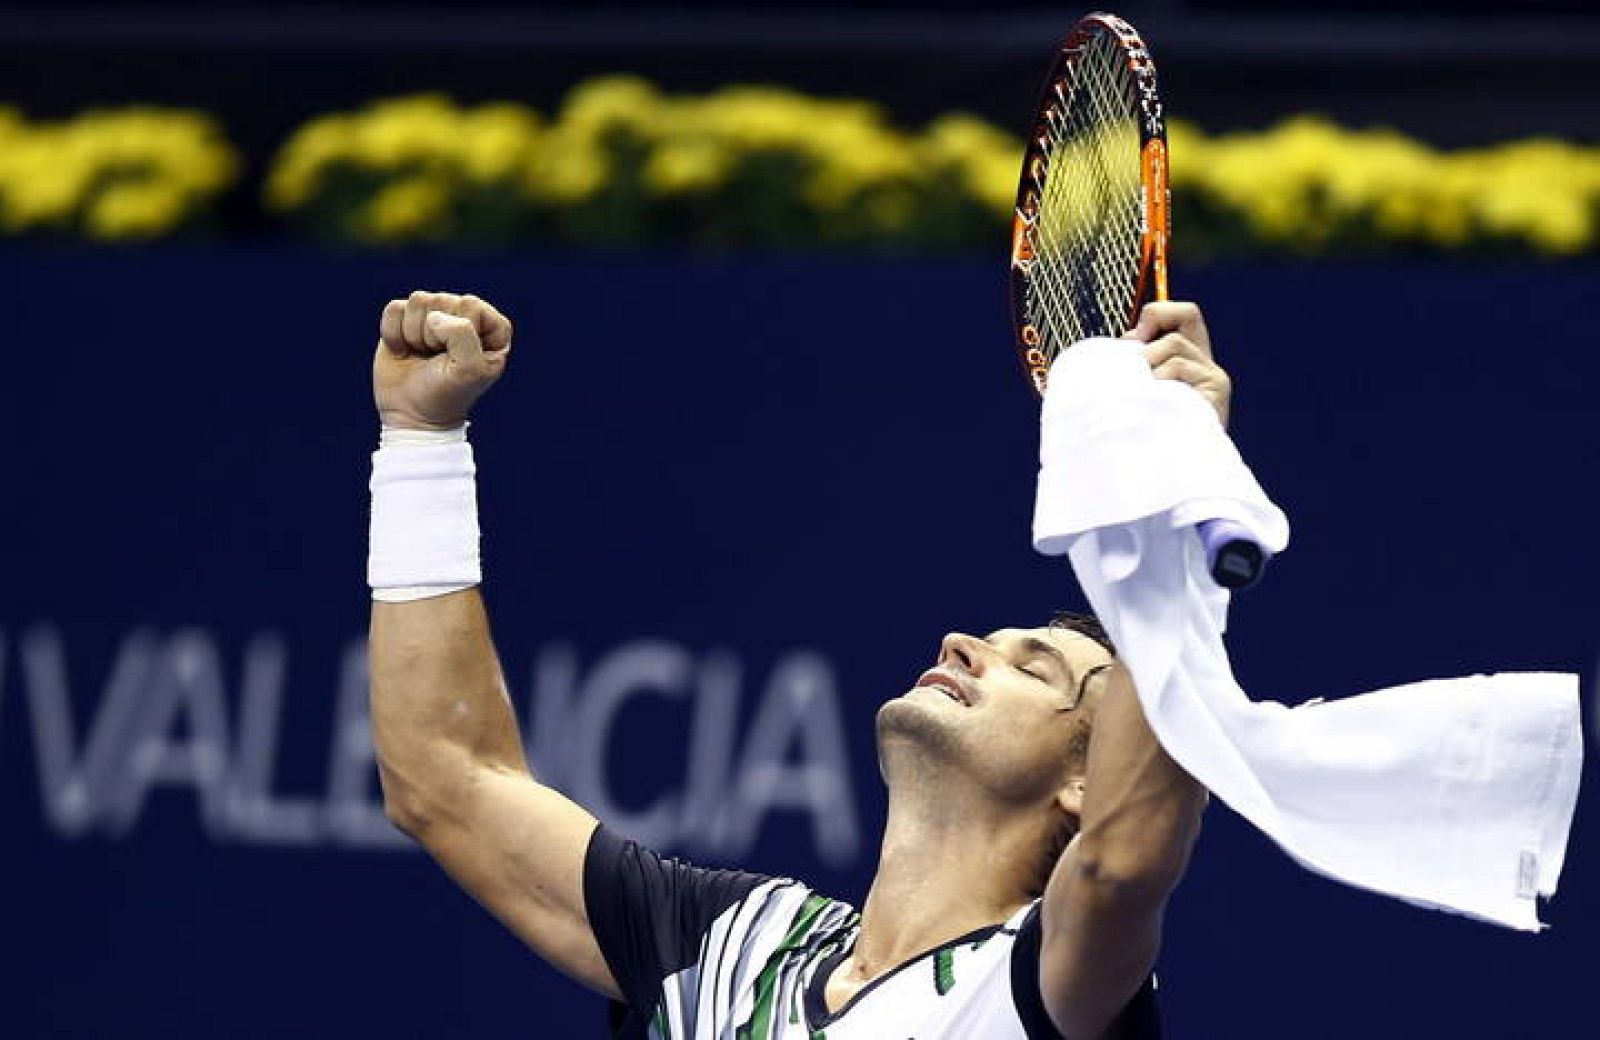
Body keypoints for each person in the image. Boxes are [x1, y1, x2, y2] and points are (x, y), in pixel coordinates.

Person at [367, 290, 1227, 1039]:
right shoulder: (727, 940)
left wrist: (1180, 504)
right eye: (993, 642)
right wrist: (421, 439)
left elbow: (1122, 861)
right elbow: (448, 778)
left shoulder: (1039, 981)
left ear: (1087, 785)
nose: (963, 645)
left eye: (1033, 671)